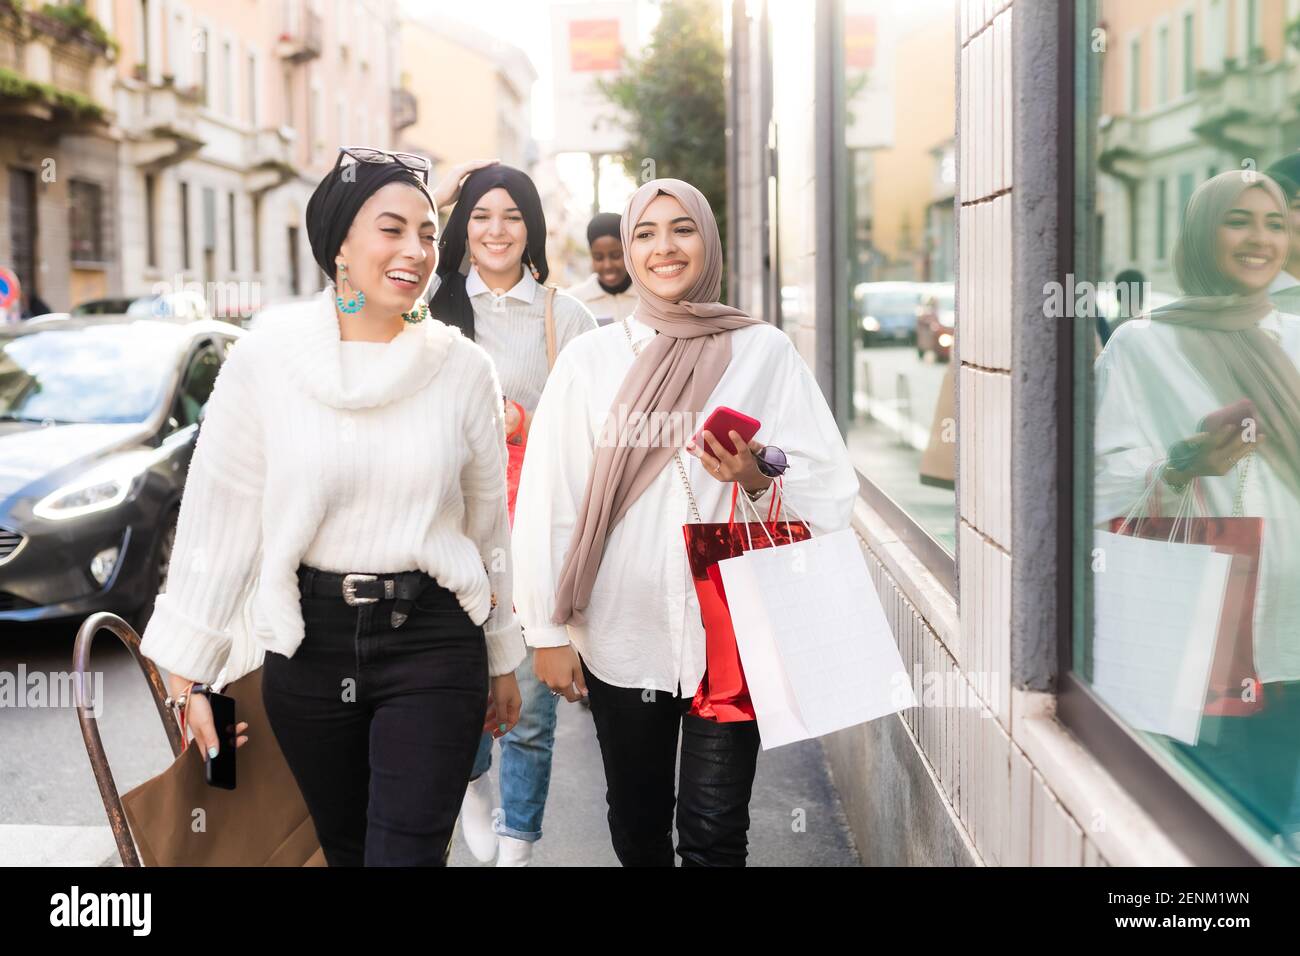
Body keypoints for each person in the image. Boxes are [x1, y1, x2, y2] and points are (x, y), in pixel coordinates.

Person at [138, 146, 524, 867]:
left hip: (434, 641)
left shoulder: (462, 367)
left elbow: (486, 523)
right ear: (341, 242)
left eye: (427, 233)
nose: (416, 250)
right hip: (307, 648)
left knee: (404, 856)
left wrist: (502, 654)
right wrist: (187, 674)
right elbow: (221, 514)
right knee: (346, 854)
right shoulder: (268, 357)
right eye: (392, 228)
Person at [512, 178, 858, 866]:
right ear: (629, 250)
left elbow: (828, 484)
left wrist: (756, 476)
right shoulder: (591, 361)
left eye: (682, 229)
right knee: (637, 823)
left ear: (708, 240)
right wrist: (546, 632)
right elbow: (552, 500)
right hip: (620, 628)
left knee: (716, 829)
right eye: (646, 233)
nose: (663, 248)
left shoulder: (762, 350)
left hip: (730, 630)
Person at [1094, 170, 1300, 858]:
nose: (1260, 238)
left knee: (1276, 818)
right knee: (1214, 823)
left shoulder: (1296, 336)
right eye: (1239, 219)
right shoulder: (1145, 343)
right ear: (1200, 232)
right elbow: (1102, 478)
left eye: (1274, 222)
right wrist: (1182, 466)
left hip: (1294, 624)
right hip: (1208, 618)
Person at [430, 162, 597, 866]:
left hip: (533, 541)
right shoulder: (428, 310)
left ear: (531, 228)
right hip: (447, 543)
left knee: (526, 708)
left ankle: (518, 841)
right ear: (462, 227)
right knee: (453, 704)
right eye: (479, 216)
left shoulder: (567, 318)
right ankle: (473, 794)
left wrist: (526, 423)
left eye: (511, 216)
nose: (496, 230)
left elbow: (596, 430)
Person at [564, 212, 639, 326]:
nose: (607, 265)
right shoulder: (573, 301)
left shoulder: (649, 298)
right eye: (598, 257)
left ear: (629, 252)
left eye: (616, 256)